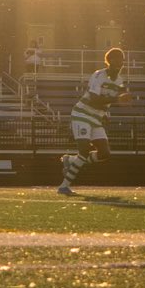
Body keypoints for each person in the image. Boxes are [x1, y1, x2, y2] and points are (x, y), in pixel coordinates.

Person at [59, 47, 131, 196]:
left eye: (122, 59)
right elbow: (94, 99)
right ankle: (64, 186)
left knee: (105, 153)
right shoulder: (98, 75)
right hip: (82, 114)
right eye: (118, 59)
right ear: (110, 61)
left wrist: (106, 112)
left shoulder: (119, 80)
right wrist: (118, 99)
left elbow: (108, 100)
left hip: (96, 117)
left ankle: (71, 160)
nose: (121, 62)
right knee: (84, 150)